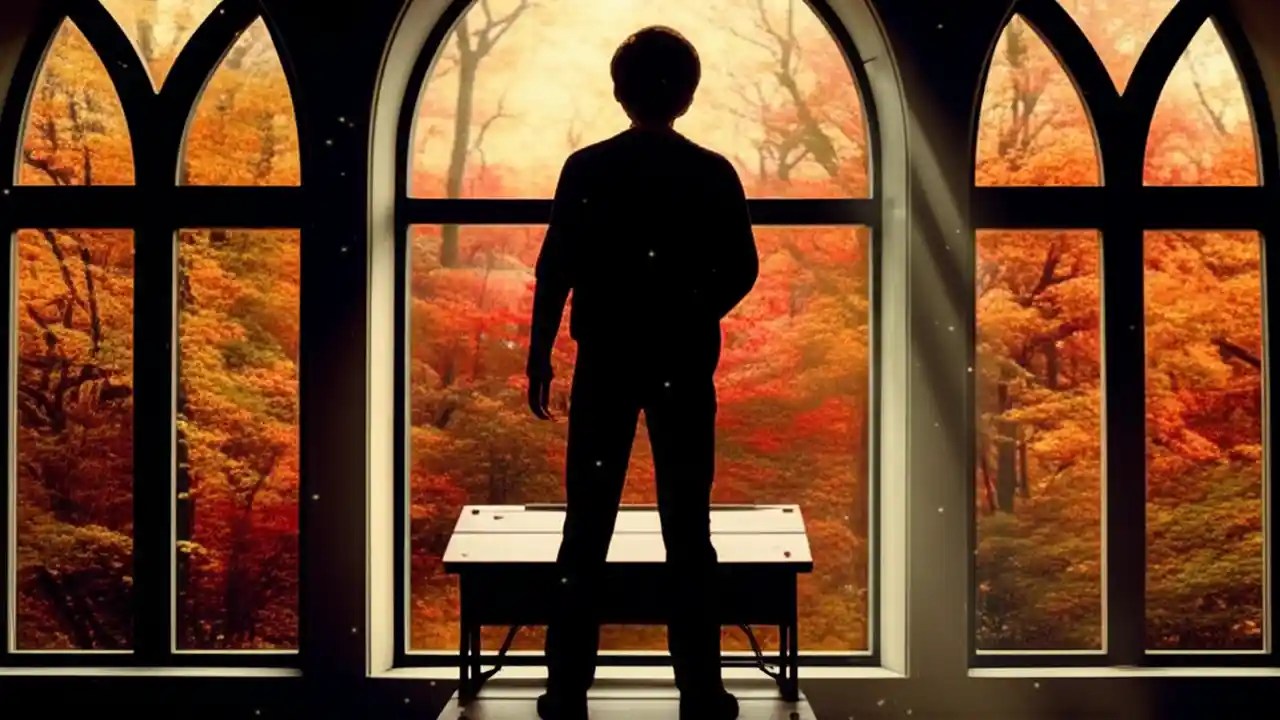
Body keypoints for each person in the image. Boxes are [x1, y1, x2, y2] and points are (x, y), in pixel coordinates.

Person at [525, 25, 759, 720]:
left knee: (586, 525)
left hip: (605, 359)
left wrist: (540, 354)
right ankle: (700, 688)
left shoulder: (588, 167)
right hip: (684, 364)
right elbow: (741, 268)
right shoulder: (711, 172)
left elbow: (554, 267)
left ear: (618, 89)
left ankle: (567, 687)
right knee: (688, 527)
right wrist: (689, 310)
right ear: (687, 93)